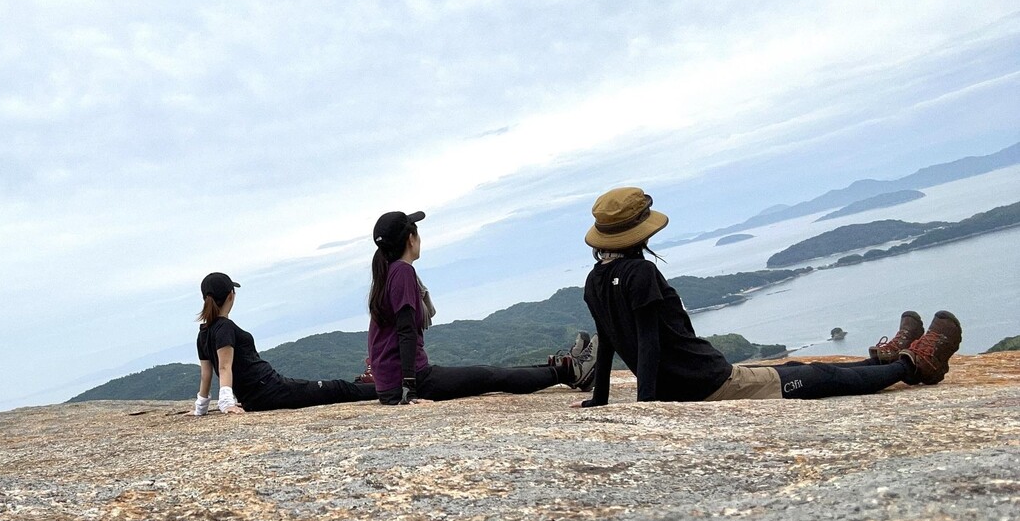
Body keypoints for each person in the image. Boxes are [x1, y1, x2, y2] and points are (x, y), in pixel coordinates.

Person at [578, 187, 963, 407]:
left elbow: (607, 341)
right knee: (818, 377)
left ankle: (881, 361)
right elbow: (648, 340)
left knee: (797, 366)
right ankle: (914, 365)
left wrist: (602, 399)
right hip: (710, 385)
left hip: (700, 381)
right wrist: (647, 405)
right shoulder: (641, 272)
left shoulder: (594, 281)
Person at [367, 210, 598, 405]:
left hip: (392, 382)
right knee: (491, 376)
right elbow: (406, 329)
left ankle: (565, 366)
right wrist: (409, 388)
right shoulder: (402, 271)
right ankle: (572, 372)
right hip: (409, 381)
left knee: (489, 371)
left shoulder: (387, 272)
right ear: (411, 239)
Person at [193, 272, 378, 414]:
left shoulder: (203, 333)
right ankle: (386, 388)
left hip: (260, 395)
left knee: (338, 387)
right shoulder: (224, 327)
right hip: (271, 389)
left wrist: (201, 408)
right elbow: (224, 367)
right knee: (338, 388)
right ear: (231, 296)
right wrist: (227, 403)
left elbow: (206, 374)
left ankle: (377, 385)